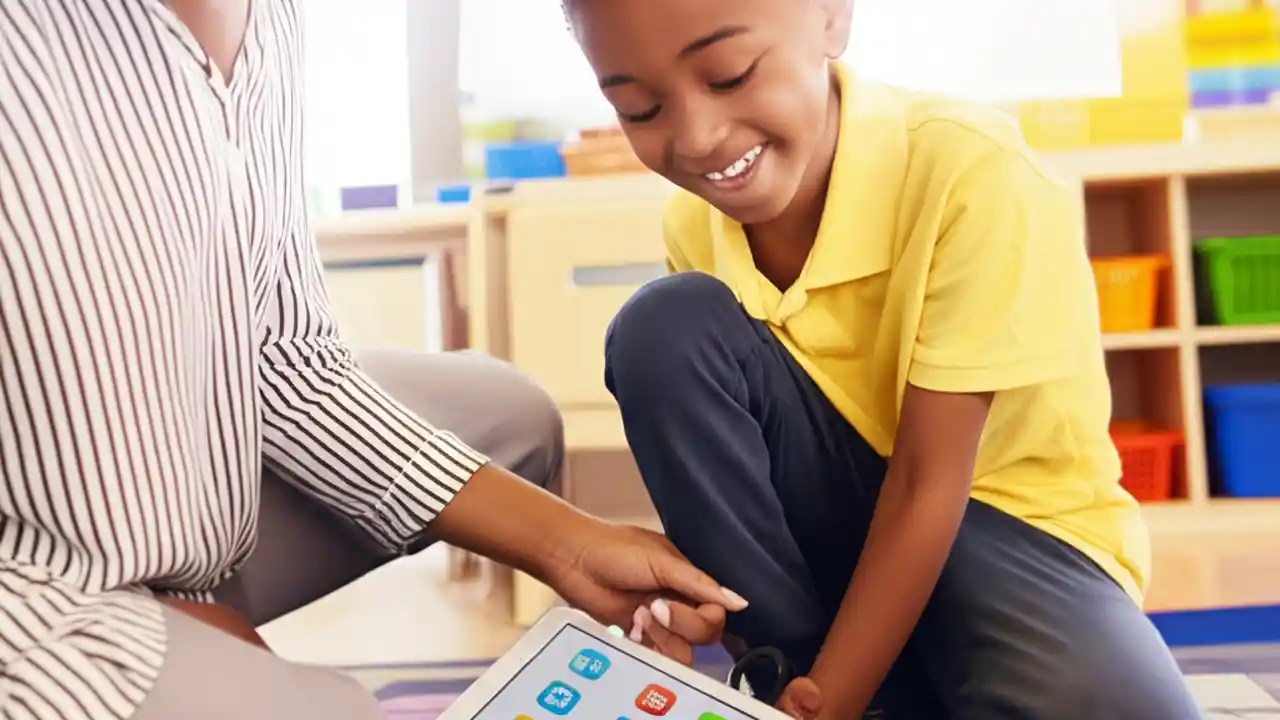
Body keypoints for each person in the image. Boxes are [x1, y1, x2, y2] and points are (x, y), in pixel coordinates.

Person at [0, 2, 744, 718]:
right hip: (25, 590)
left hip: (150, 518)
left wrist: (570, 547)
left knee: (507, 416)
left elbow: (285, 352)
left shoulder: (268, 19)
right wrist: (130, 647)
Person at [562, 0, 1202, 717]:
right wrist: (809, 688)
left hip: (1012, 530)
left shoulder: (971, 167)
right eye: (641, 109)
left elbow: (929, 478)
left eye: (730, 75)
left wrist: (833, 701)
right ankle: (799, 674)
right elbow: (738, 468)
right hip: (838, 546)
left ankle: (862, 685)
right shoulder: (696, 222)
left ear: (832, 16)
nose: (698, 138)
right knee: (662, 328)